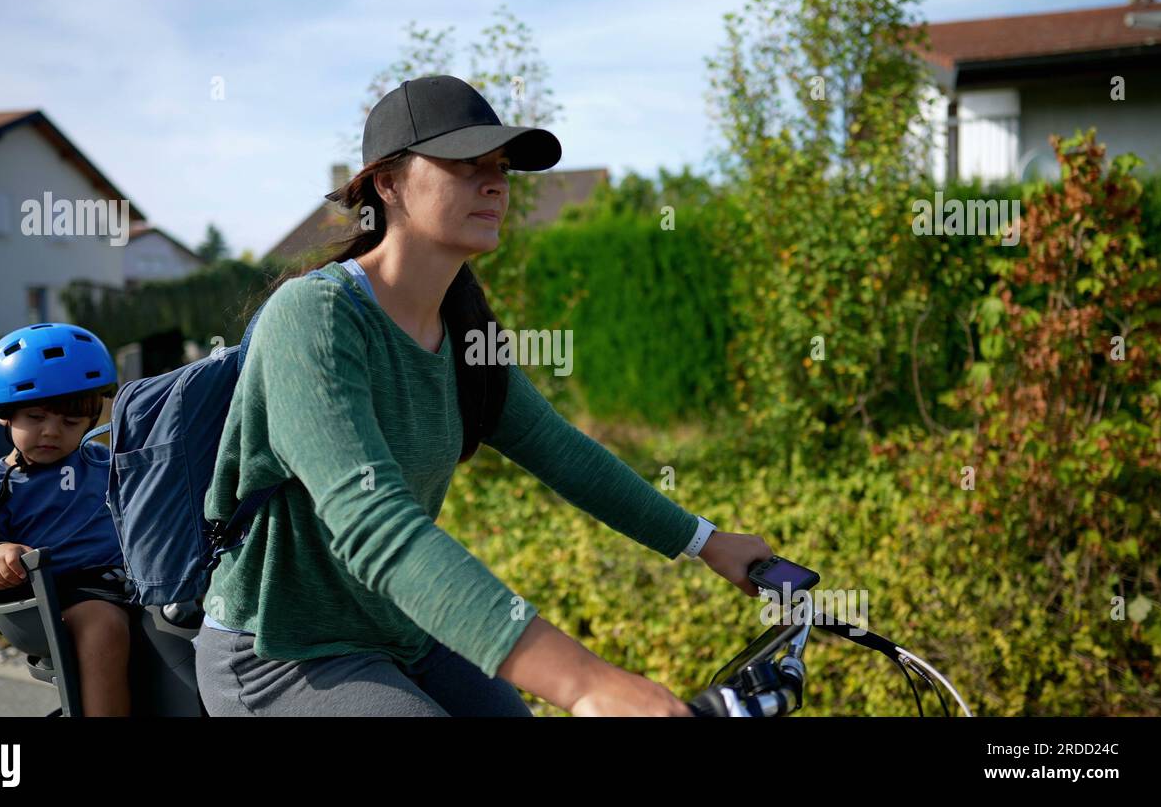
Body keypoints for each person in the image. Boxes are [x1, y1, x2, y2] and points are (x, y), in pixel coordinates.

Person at [193, 74, 774, 717]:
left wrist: (706, 541)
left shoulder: (463, 330)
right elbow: (372, 523)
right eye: (465, 164)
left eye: (500, 167)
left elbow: (561, 451)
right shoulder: (314, 317)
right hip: (281, 652)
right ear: (387, 184)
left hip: (403, 628)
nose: (495, 183)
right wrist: (586, 683)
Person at [0, 322, 135, 717]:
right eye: (35, 416)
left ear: (91, 421)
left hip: (135, 581)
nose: (51, 432)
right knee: (103, 628)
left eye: (71, 423)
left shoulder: (105, 462)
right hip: (62, 595)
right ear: (5, 414)